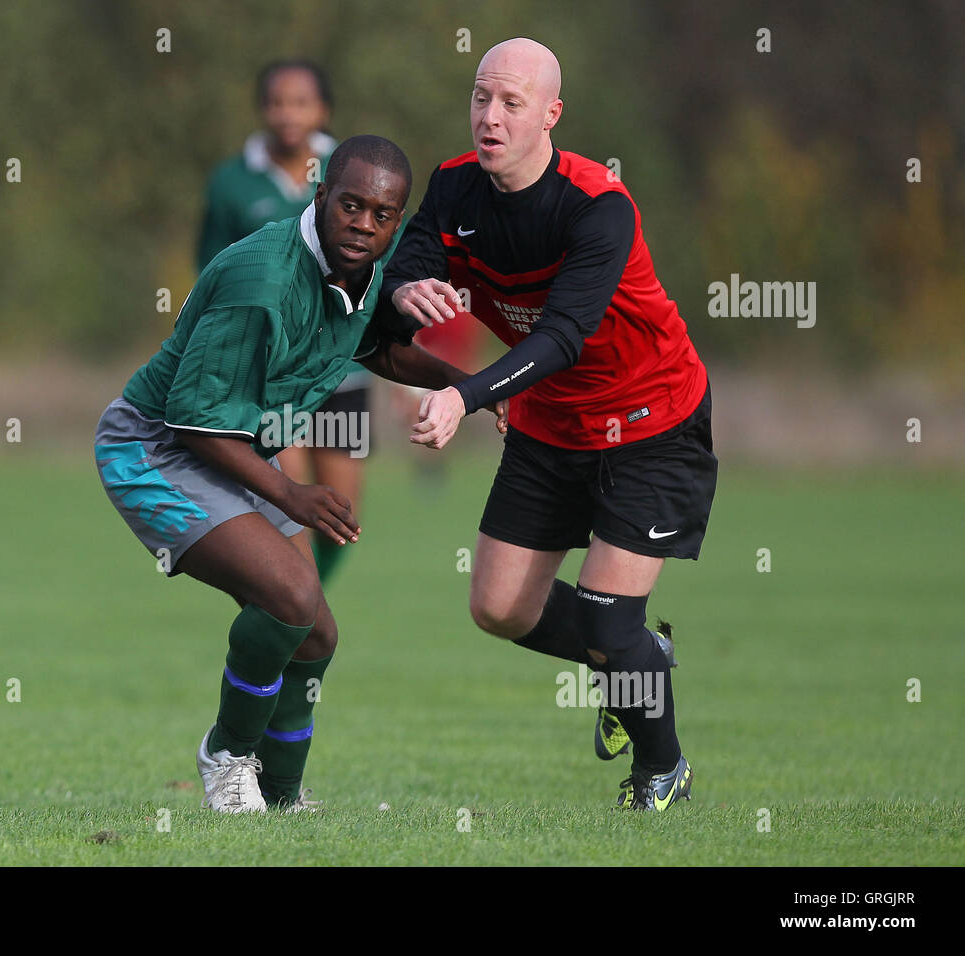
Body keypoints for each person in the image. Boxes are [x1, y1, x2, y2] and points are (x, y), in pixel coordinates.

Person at [96, 135, 505, 813]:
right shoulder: (263, 279)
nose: (363, 224)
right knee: (289, 594)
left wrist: (474, 389)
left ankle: (282, 797)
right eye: (350, 204)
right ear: (321, 197)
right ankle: (227, 757)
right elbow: (196, 422)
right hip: (155, 446)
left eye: (382, 215)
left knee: (316, 631)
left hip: (231, 443)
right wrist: (291, 491)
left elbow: (381, 349)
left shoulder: (364, 271)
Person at [381, 38, 717, 811]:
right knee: (499, 608)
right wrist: (406, 293)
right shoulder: (455, 187)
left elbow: (563, 336)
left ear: (551, 116)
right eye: (480, 98)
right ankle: (637, 654)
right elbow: (408, 262)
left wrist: (465, 396)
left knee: (605, 616)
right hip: (551, 423)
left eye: (511, 103)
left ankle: (661, 768)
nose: (488, 117)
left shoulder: (599, 206)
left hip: (650, 418)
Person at [198, 60, 370, 586]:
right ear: (263, 107)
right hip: (270, 377)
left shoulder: (353, 172)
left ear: (322, 109)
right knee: (288, 508)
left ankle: (309, 606)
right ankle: (295, 616)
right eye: (277, 102)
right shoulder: (231, 182)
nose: (287, 114)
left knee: (341, 517)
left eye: (300, 102)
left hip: (345, 372)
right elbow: (210, 274)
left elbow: (388, 260)